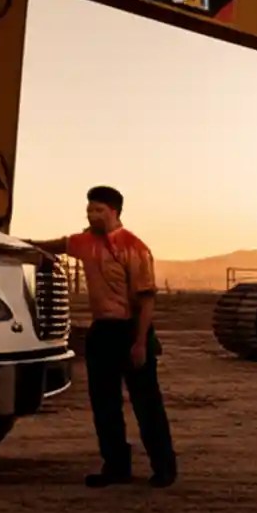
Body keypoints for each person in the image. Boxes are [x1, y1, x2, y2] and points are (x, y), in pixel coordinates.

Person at [25, 185, 178, 489]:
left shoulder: (135, 248)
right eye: (89, 210)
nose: (92, 215)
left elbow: (146, 300)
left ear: (114, 212)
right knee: (104, 404)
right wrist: (7, 242)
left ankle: (164, 468)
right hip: (102, 332)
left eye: (98, 210)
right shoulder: (84, 242)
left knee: (146, 404)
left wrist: (139, 342)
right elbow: (49, 245)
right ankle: (116, 466)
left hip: (131, 329)